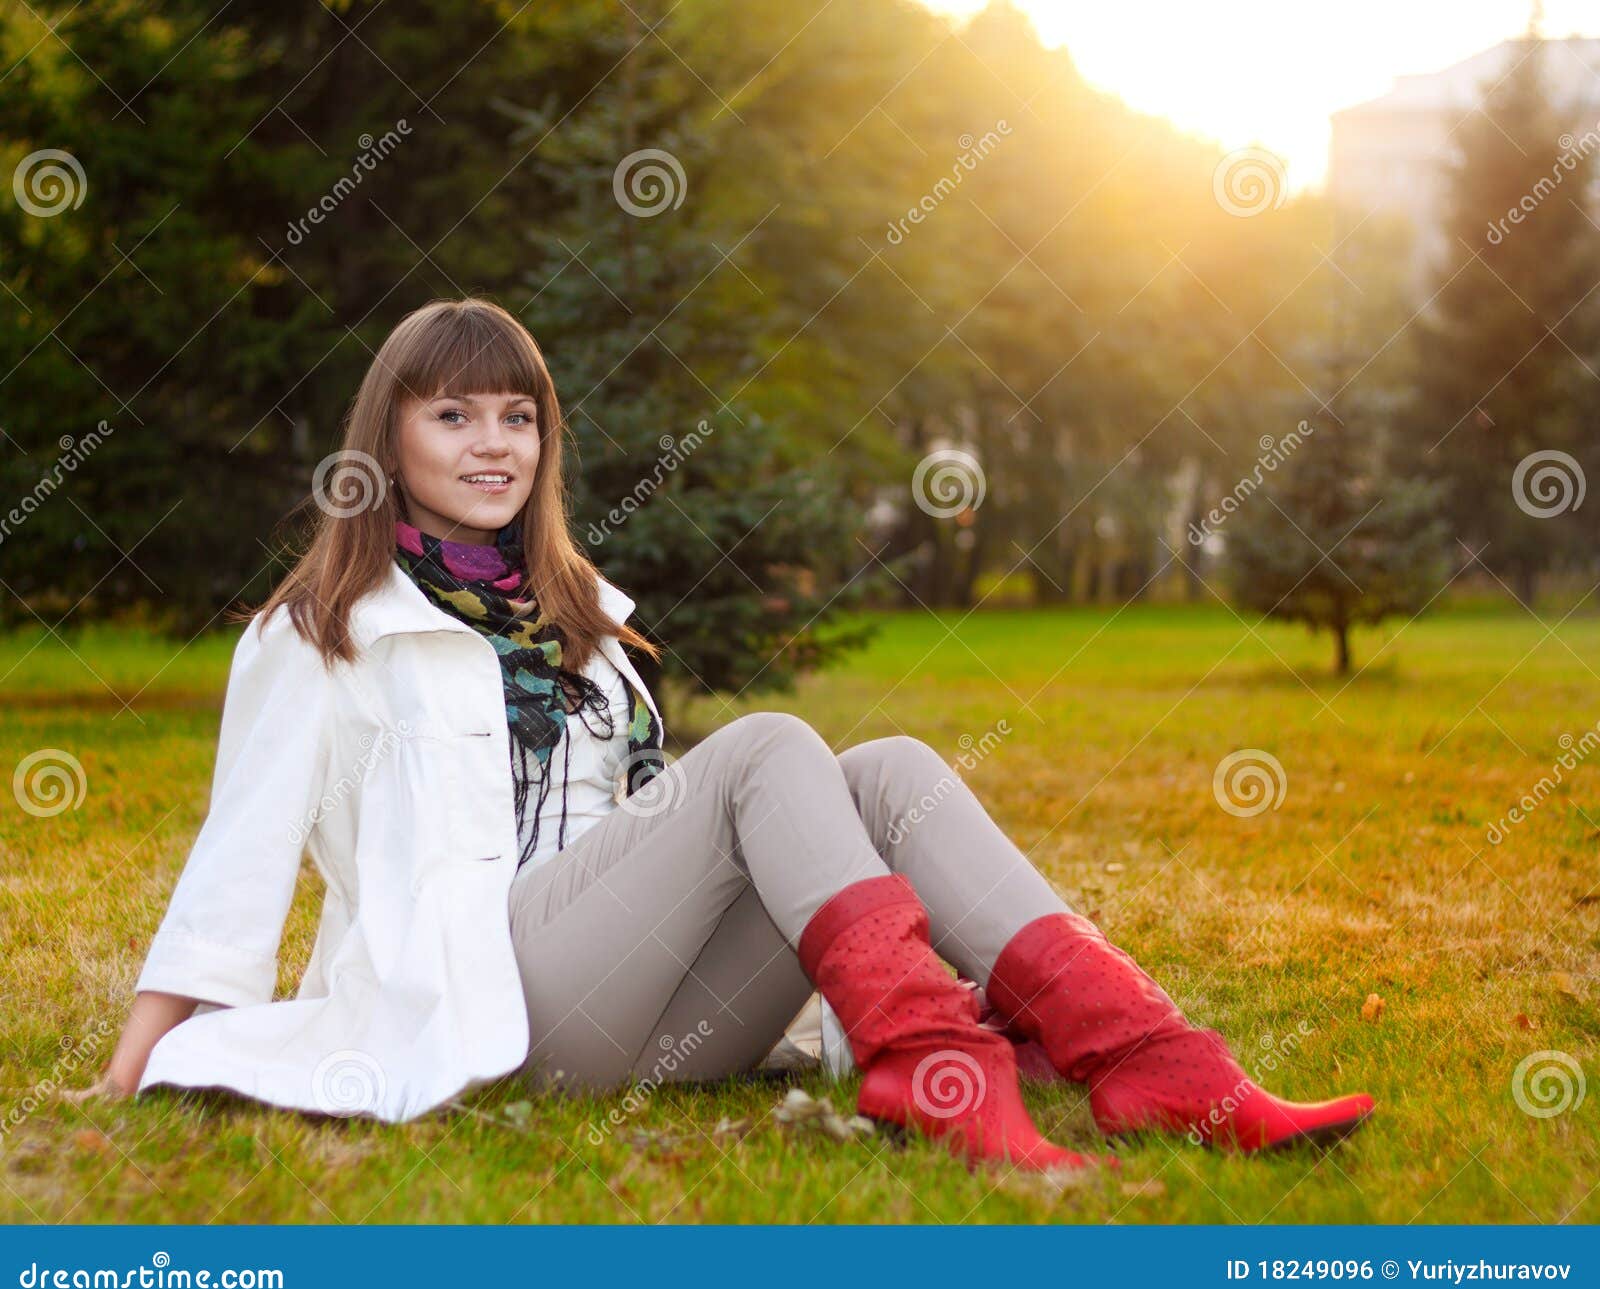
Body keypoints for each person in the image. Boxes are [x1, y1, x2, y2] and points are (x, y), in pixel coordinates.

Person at [66, 296, 1374, 1173]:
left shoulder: (581, 617)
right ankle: (941, 1068)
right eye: (453, 414)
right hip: (491, 1005)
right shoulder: (320, 629)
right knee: (758, 749)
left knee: (890, 772)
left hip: (658, 1023)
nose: (493, 442)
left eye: (517, 416)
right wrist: (143, 1058)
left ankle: (1155, 1063)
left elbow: (667, 838)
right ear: (388, 435)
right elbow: (235, 871)